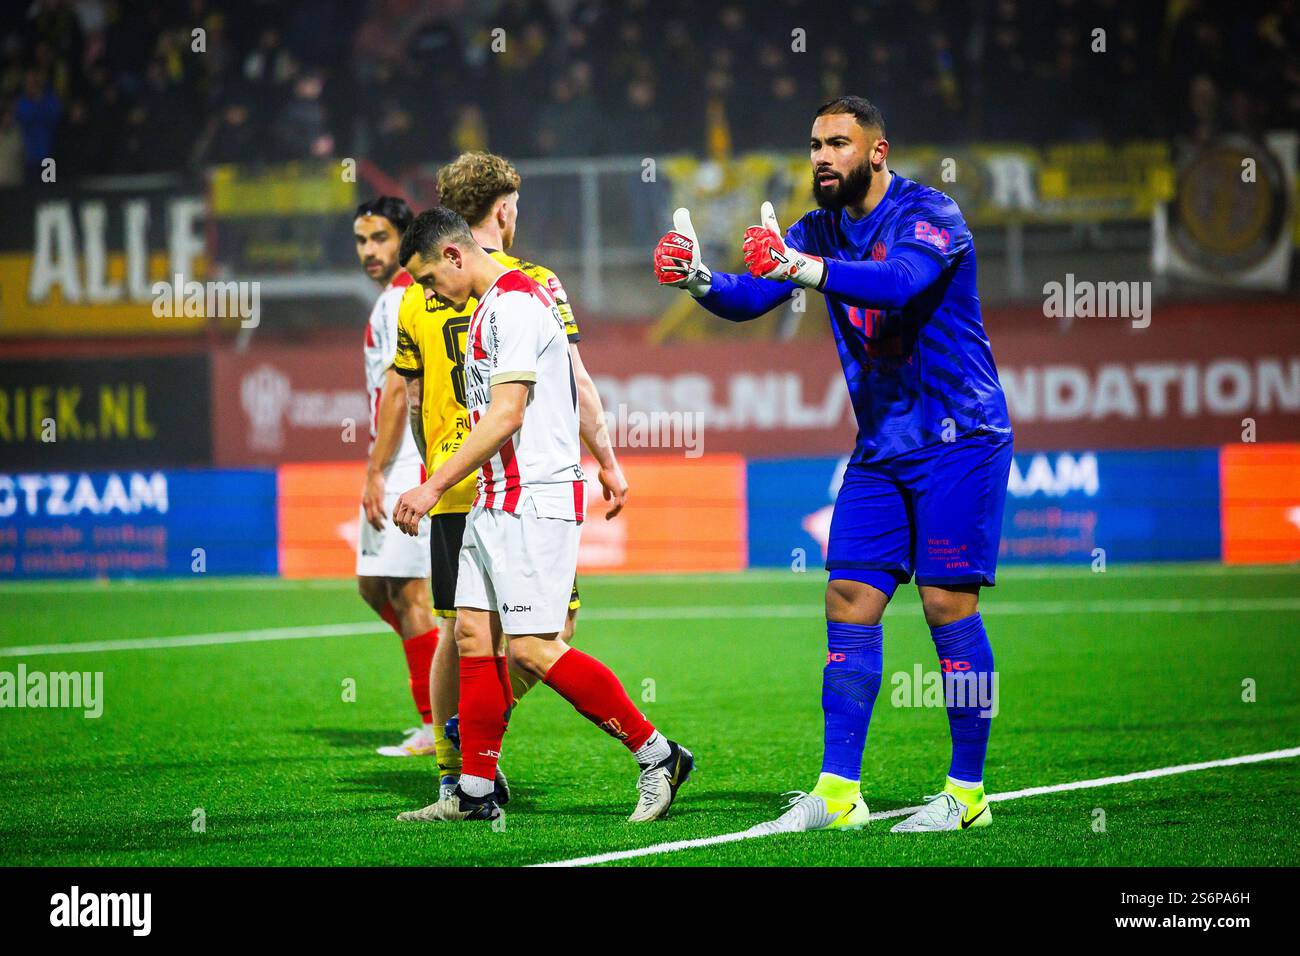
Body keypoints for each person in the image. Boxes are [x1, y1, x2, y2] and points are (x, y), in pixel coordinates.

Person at [654, 95, 1012, 833]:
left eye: (838, 144)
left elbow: (900, 282)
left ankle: (967, 793)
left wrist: (806, 268)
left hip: (961, 438)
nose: (821, 156)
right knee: (848, 598)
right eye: (815, 143)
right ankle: (840, 792)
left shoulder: (930, 212)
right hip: (882, 447)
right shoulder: (817, 228)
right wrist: (701, 283)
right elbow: (758, 291)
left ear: (876, 152)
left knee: (947, 606)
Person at [392, 208, 693, 822]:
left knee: (531, 649)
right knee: (473, 635)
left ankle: (657, 753)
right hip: (493, 498)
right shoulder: (483, 308)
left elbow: (507, 415)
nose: (426, 293)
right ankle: (474, 792)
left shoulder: (516, 306)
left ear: (454, 255)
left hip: (534, 497)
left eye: (427, 279)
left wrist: (431, 487)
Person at [389, 151, 627, 801]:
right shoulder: (535, 283)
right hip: (512, 478)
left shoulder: (411, 296)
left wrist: (428, 471)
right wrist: (605, 458)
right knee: (543, 637)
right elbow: (575, 382)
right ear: (503, 209)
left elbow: (406, 398)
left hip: (448, 475)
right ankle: (478, 751)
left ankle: (457, 768)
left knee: (460, 632)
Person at [350, 196, 440, 757]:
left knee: (408, 593)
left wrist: (376, 471)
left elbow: (396, 390)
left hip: (406, 458)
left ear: (405, 237)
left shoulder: (402, 300)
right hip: (398, 456)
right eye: (360, 241)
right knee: (373, 587)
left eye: (380, 238)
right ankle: (442, 672)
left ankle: (438, 722)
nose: (368, 251)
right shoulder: (396, 298)